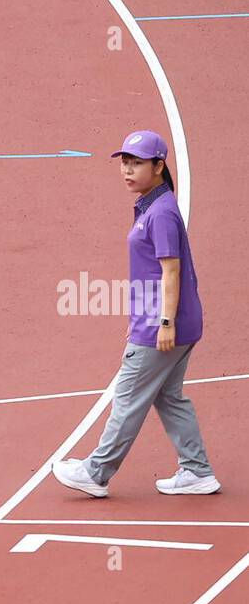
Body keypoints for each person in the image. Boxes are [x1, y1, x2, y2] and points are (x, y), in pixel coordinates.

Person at [52, 131, 220, 498]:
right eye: (125, 163)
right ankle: (197, 471)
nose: (128, 170)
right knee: (169, 397)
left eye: (137, 163)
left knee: (127, 397)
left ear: (159, 166)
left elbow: (171, 272)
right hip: (176, 320)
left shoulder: (160, 213)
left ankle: (96, 472)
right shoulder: (154, 205)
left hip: (162, 324)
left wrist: (164, 323)